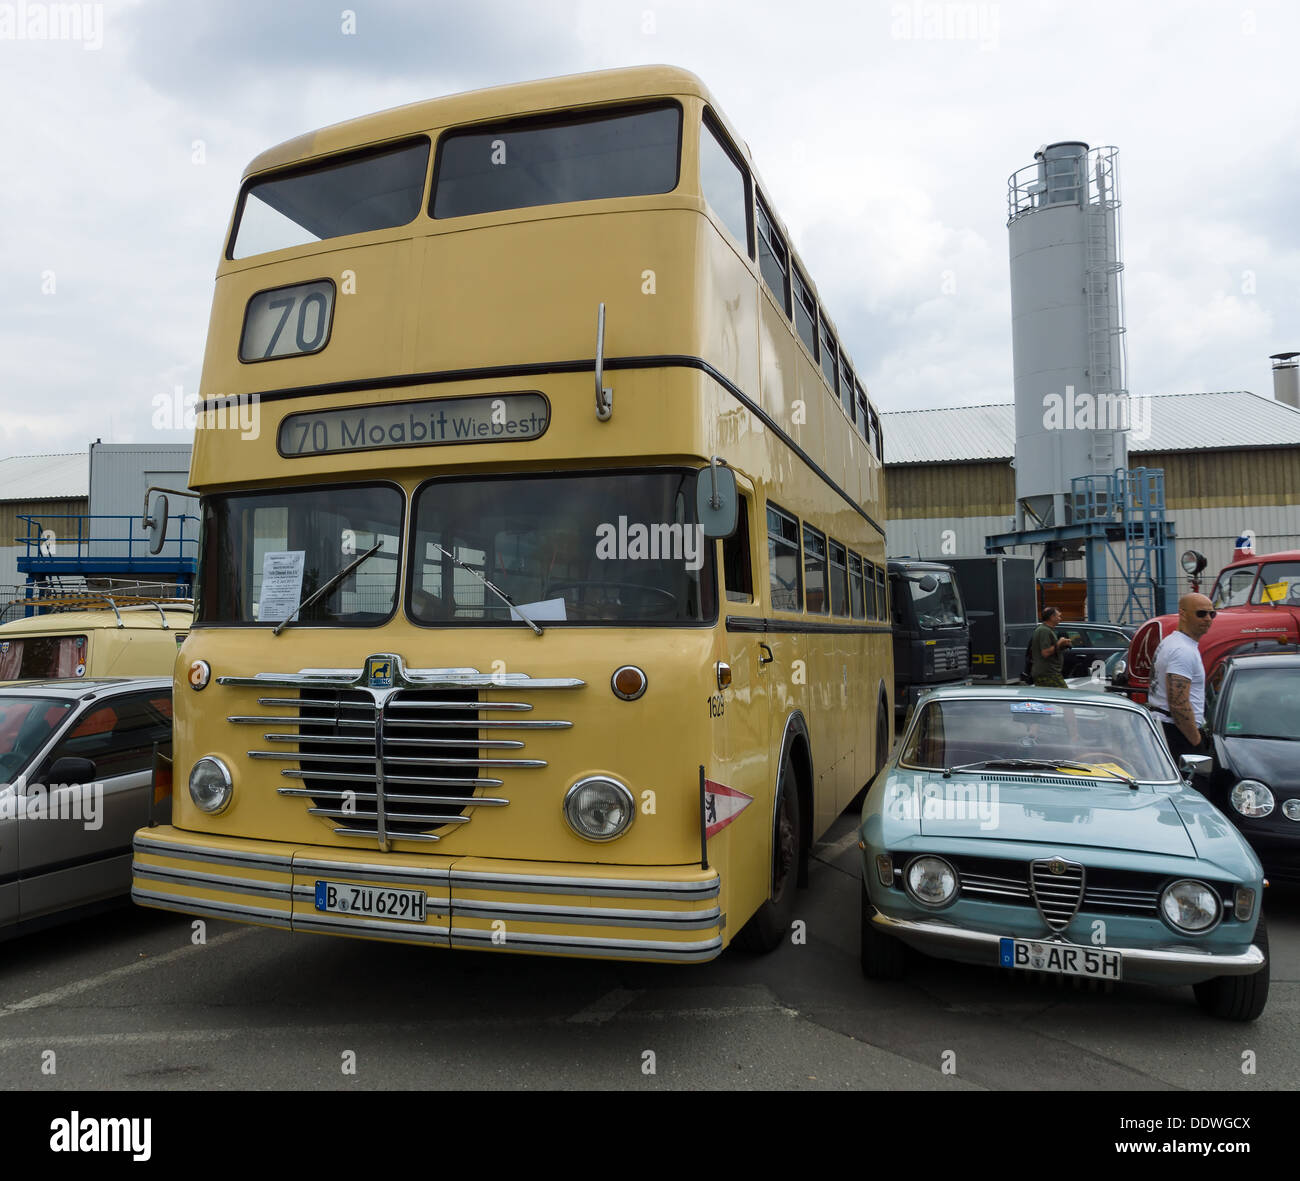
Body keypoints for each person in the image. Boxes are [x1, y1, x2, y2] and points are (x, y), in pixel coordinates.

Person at [1147, 592, 1216, 762]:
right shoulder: (1182, 650)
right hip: (1176, 731)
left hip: (1168, 726)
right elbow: (1178, 703)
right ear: (1183, 614)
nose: (1208, 618)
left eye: (1212, 613)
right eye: (1201, 613)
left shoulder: (1173, 642)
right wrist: (1196, 740)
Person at [1030, 606, 1072, 688]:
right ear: (1052, 617)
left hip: (1049, 672)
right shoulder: (1044, 630)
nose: (1060, 618)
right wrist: (1060, 642)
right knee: (1064, 696)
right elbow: (1045, 653)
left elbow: (1053, 649)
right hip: (1048, 673)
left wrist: (1063, 645)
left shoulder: (1047, 630)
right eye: (1058, 616)